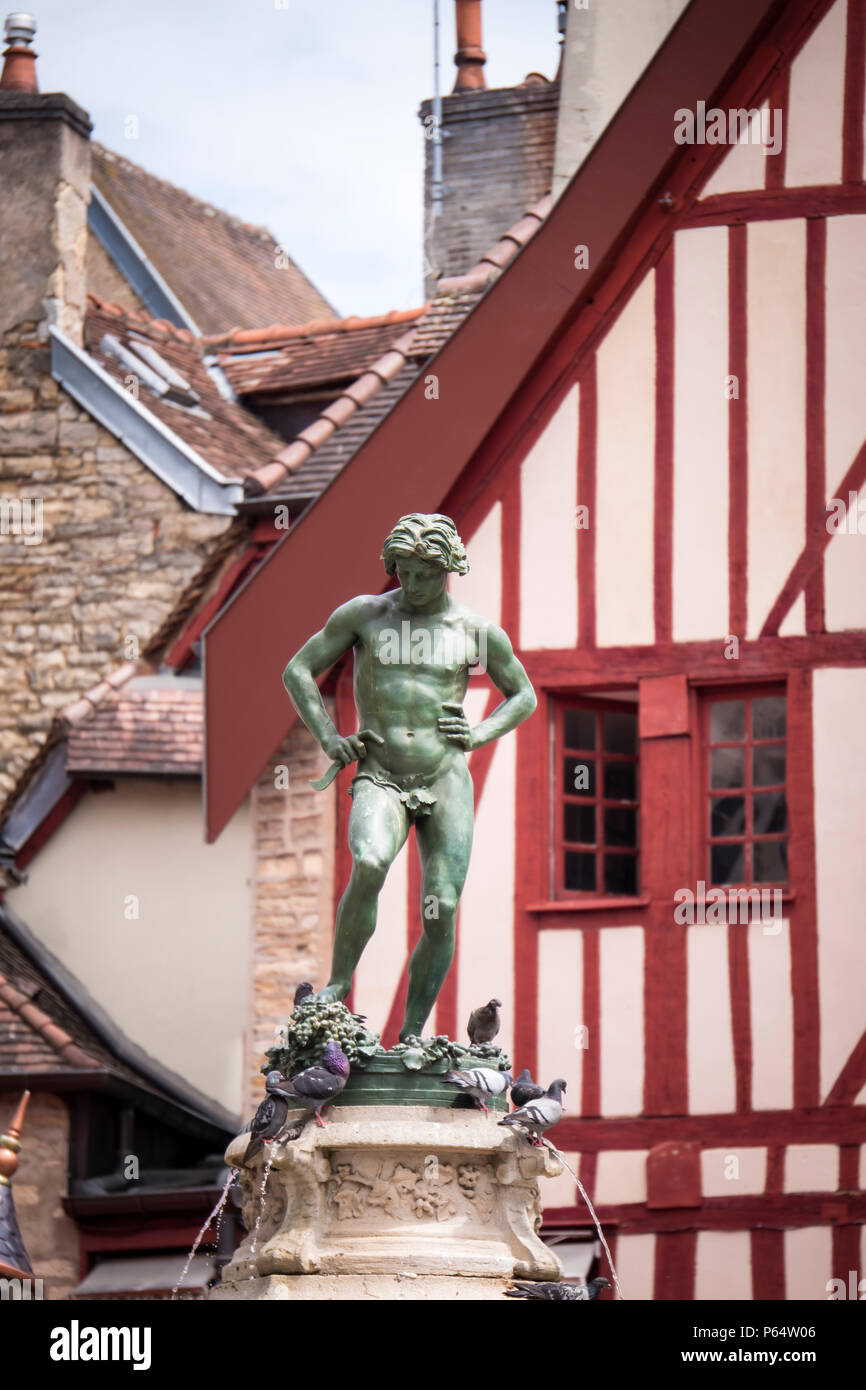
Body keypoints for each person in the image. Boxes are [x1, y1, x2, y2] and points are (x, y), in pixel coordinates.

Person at [282, 513, 536, 1040]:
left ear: (447, 569)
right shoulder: (364, 616)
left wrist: (481, 732)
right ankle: (337, 984)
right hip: (381, 773)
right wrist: (332, 738)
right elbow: (298, 670)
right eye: (404, 572)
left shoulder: (474, 631)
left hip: (445, 777)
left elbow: (524, 694)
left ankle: (412, 1034)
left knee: (440, 905)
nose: (413, 584)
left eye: (425, 573)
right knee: (370, 861)